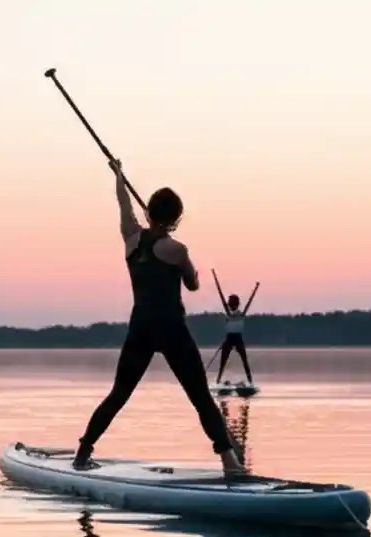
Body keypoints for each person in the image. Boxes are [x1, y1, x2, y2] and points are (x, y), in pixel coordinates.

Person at [73, 159, 242, 473]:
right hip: (171, 329)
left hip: (141, 328)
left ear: (149, 212)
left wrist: (120, 175)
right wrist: (193, 272)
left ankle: (82, 454)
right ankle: (230, 461)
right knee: (200, 396)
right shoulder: (177, 249)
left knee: (118, 394)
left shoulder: (131, 240)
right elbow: (192, 284)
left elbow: (123, 204)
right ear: (176, 219)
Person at [212, 277, 258, 385]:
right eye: (230, 304)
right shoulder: (228, 313)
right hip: (229, 339)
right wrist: (216, 280)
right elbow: (221, 297)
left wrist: (255, 288)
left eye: (232, 304)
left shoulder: (241, 314)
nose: (230, 306)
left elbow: (249, 302)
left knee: (244, 360)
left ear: (236, 305)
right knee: (223, 361)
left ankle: (250, 381)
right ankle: (218, 381)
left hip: (238, 339)